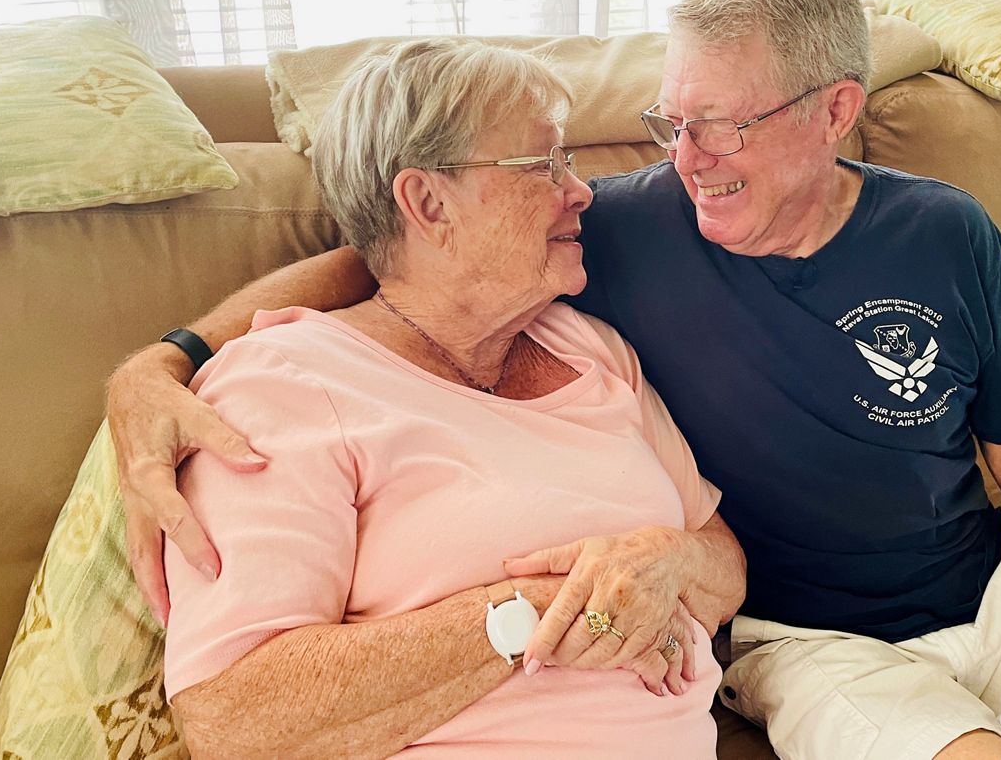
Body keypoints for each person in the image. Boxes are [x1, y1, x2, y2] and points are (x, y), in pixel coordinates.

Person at [108, 0, 1001, 760]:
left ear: (835, 109)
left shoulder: (930, 235)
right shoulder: (616, 232)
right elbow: (394, 260)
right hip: (806, 645)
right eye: (672, 121)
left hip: (995, 589)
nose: (684, 159)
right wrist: (167, 356)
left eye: (725, 124)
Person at [151, 38, 746, 758]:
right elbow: (232, 720)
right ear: (428, 202)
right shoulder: (285, 384)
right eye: (544, 164)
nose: (581, 190)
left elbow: (721, 560)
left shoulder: (588, 348)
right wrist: (536, 610)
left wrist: (666, 563)